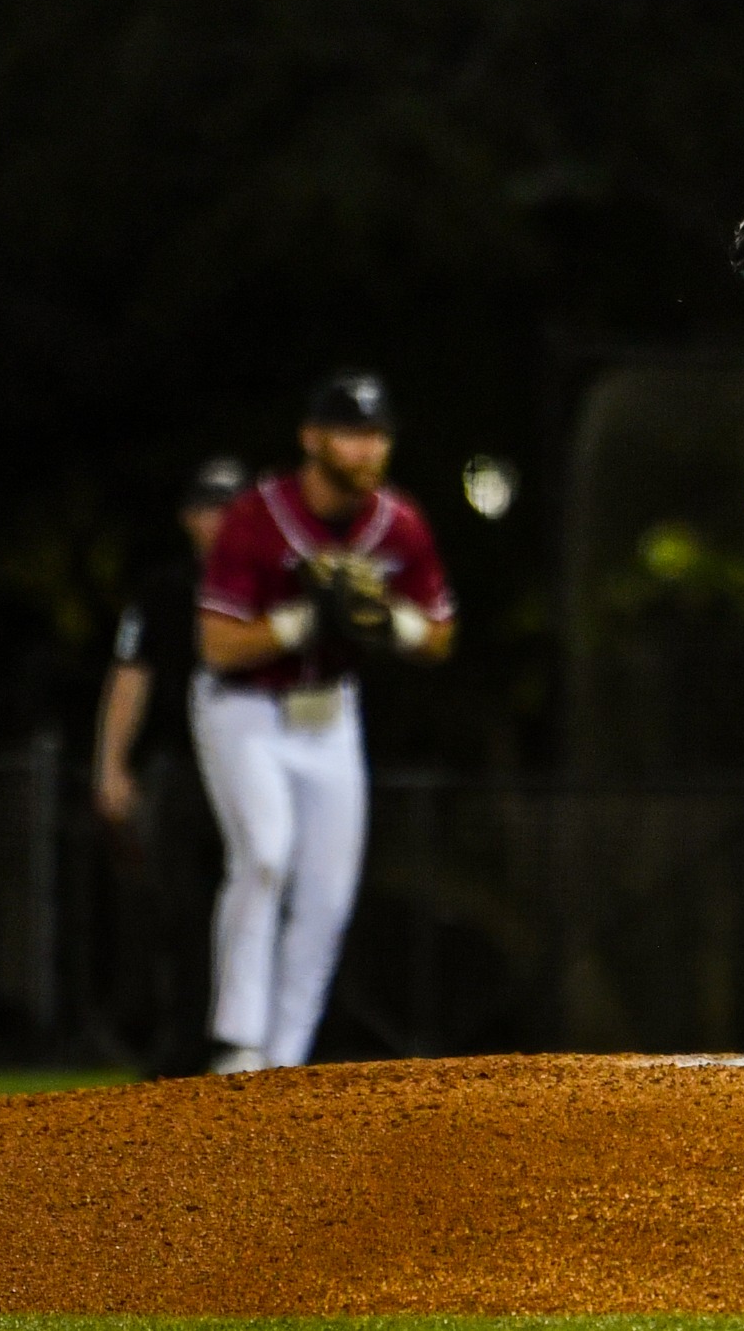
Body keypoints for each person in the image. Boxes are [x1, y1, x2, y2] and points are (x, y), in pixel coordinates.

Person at [192, 371, 455, 1073]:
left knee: (328, 895)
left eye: (375, 434)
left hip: (330, 715)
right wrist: (304, 619)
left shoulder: (397, 522)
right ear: (311, 438)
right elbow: (216, 645)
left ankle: (285, 1062)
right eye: (349, 432)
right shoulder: (257, 514)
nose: (365, 448)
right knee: (266, 853)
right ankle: (238, 1045)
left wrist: (390, 621)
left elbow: (440, 634)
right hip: (246, 707)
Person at [92, 455, 246, 1077]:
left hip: (251, 770)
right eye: (210, 506)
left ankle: (248, 1045)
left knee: (252, 905)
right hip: (183, 770)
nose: (222, 519)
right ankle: (180, 1048)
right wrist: (110, 763)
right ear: (188, 518)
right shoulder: (163, 591)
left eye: (234, 506)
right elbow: (131, 677)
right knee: (176, 911)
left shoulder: (275, 587)